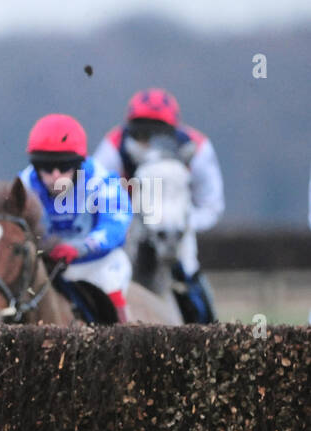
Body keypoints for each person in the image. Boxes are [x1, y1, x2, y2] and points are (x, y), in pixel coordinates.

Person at [91, 89, 223, 322]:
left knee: (191, 278)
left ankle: (206, 323)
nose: (148, 140)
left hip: (177, 232)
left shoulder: (199, 149)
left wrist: (180, 223)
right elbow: (94, 198)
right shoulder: (113, 147)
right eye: (141, 132)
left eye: (157, 132)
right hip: (129, 226)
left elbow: (211, 205)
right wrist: (123, 223)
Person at [21, 114, 134, 322]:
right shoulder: (25, 184)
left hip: (98, 264)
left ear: (78, 164)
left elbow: (116, 223)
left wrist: (81, 247)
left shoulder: (101, 179)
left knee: (111, 287)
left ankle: (122, 335)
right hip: (48, 265)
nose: (55, 176)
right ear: (36, 167)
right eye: (47, 168)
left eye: (64, 167)